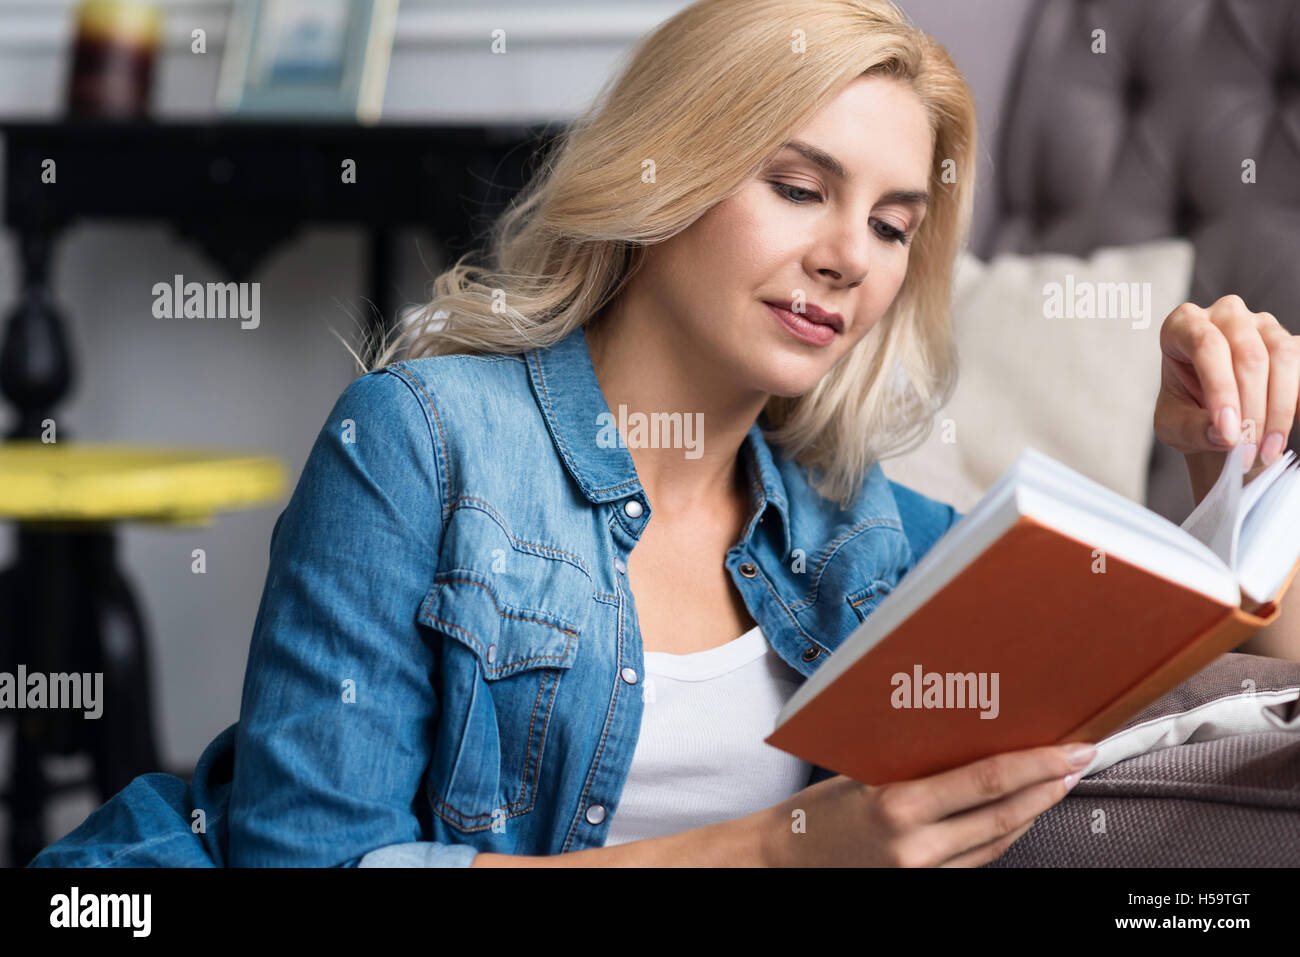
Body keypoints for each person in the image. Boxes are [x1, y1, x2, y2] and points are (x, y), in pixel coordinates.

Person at [28, 0, 1299, 869]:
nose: (846, 257)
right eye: (798, 187)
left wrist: (1224, 471)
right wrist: (780, 850)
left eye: (895, 225)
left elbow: (1226, 673)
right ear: (663, 172)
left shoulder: (866, 533)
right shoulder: (421, 444)